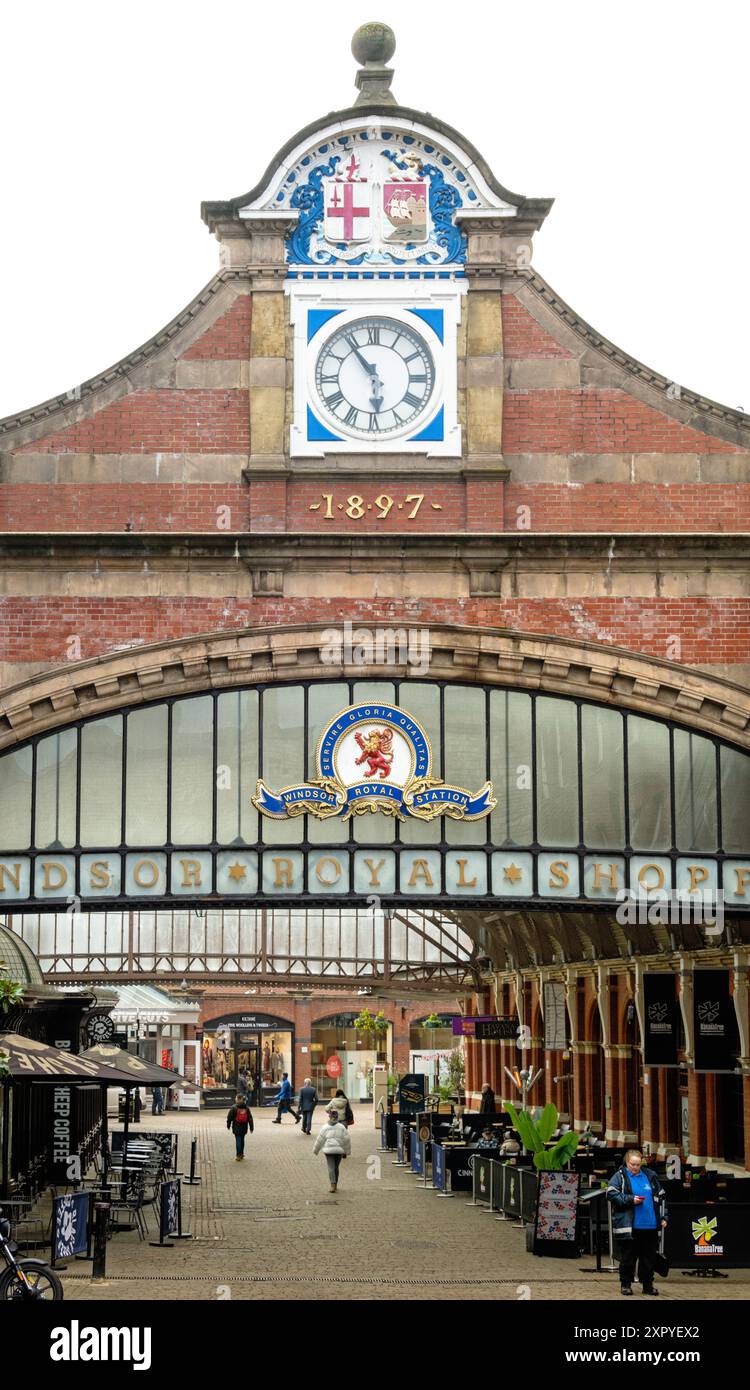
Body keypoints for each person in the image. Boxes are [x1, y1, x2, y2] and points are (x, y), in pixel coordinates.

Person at [607, 1148, 668, 1296]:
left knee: (649, 1259)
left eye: (638, 1164)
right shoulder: (620, 1176)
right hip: (630, 1226)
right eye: (632, 1164)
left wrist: (663, 1217)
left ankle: (648, 1285)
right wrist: (630, 1200)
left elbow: (661, 1198)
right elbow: (611, 1193)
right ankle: (626, 1284)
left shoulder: (650, 1175)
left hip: (651, 1225)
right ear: (626, 1162)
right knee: (628, 1257)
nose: (635, 1167)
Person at [313, 1106, 352, 1192]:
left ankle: (332, 1185)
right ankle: (335, 1184)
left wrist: (315, 1150)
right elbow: (346, 1139)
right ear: (337, 1117)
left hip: (329, 1151)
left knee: (331, 1167)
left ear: (329, 1116)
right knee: (336, 1167)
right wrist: (347, 1151)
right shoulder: (342, 1127)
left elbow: (320, 1139)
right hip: (339, 1151)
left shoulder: (325, 1127)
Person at [226, 1094, 254, 1161]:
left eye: (236, 1098)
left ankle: (238, 1155)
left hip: (236, 1127)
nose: (235, 1099)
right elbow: (250, 1118)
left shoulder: (234, 1107)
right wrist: (251, 1127)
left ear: (238, 1099)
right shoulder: (246, 1108)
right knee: (242, 1140)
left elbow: (229, 1117)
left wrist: (228, 1125)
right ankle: (241, 1153)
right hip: (244, 1127)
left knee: (238, 1141)